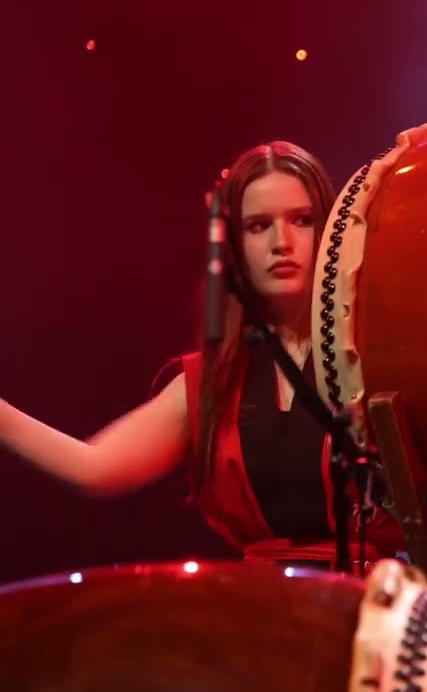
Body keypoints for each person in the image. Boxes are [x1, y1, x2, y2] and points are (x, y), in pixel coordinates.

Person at [0, 141, 402, 571]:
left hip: (375, 597)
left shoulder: (378, 356)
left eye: (302, 220)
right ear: (233, 247)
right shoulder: (211, 382)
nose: (281, 242)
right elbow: (94, 468)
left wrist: (424, 160)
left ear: (331, 230)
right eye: (258, 226)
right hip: (267, 603)